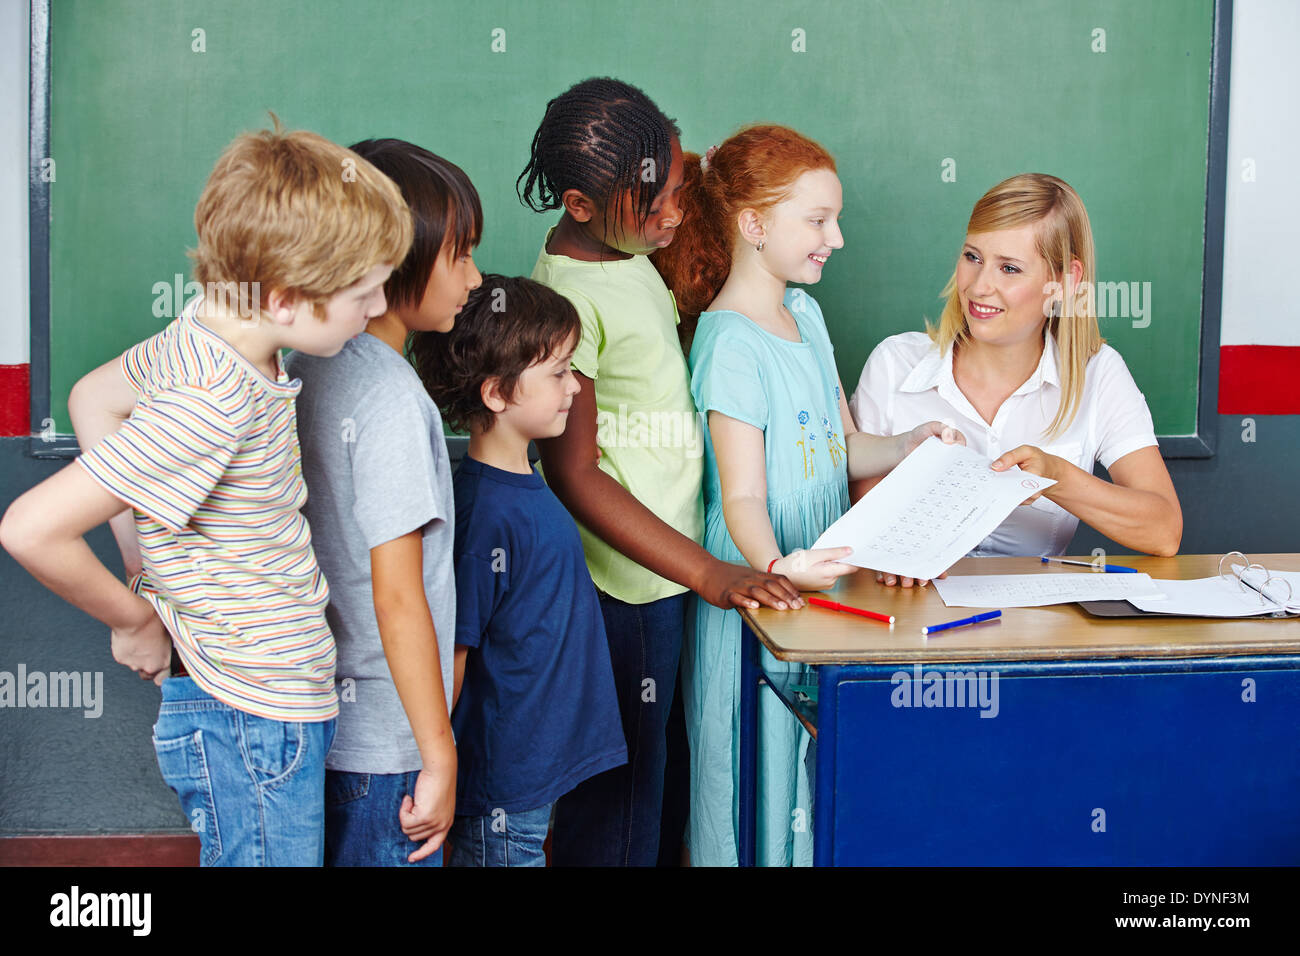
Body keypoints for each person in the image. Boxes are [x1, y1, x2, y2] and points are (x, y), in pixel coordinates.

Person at [0, 116, 412, 865]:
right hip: (253, 715)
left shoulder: (202, 331)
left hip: (261, 702)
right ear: (285, 298)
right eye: (364, 294)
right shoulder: (213, 400)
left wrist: (146, 564)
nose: (377, 311)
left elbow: (93, 397)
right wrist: (136, 618)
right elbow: (30, 528)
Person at [651, 124, 960, 865]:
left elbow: (838, 444)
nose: (838, 238)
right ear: (754, 226)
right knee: (752, 774)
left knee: (807, 780)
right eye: (818, 220)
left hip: (813, 584)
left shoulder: (808, 317)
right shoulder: (727, 343)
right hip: (763, 592)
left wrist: (910, 444)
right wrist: (777, 567)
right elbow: (742, 500)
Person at [519, 77, 802, 867]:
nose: (674, 215)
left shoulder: (623, 244)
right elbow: (576, 473)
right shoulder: (569, 302)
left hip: (661, 576)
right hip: (626, 586)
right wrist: (710, 573)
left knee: (659, 785)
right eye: (655, 203)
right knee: (621, 802)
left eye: (679, 188)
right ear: (580, 204)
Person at [286, 138, 483, 866]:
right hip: (383, 740)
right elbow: (397, 595)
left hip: (321, 722)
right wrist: (439, 754)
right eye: (459, 254)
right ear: (398, 256)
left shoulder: (303, 362)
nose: (474, 275)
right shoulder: (392, 399)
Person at [849, 173, 1182, 587]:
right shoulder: (894, 364)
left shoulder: (1098, 374)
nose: (979, 285)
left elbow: (1163, 531)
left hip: (1031, 632)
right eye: (973, 257)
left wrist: (1059, 478)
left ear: (1064, 282)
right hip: (898, 624)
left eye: (1009, 268)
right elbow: (858, 516)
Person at [412, 274, 628, 866]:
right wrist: (436, 769)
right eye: (558, 372)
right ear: (497, 395)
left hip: (533, 776)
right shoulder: (484, 515)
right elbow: (451, 656)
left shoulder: (526, 483)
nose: (576, 387)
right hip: (500, 791)